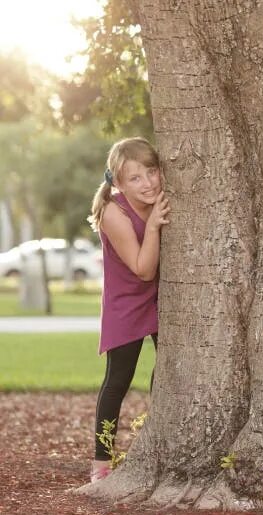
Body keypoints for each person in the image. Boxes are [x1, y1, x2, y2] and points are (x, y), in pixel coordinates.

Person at [86, 137, 170, 482]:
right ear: (118, 183)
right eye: (135, 178)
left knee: (167, 371)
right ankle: (100, 462)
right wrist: (151, 225)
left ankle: (155, 437)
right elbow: (142, 269)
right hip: (127, 302)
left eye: (151, 172)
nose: (148, 183)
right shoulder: (113, 212)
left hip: (163, 298)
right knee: (117, 380)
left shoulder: (164, 198)